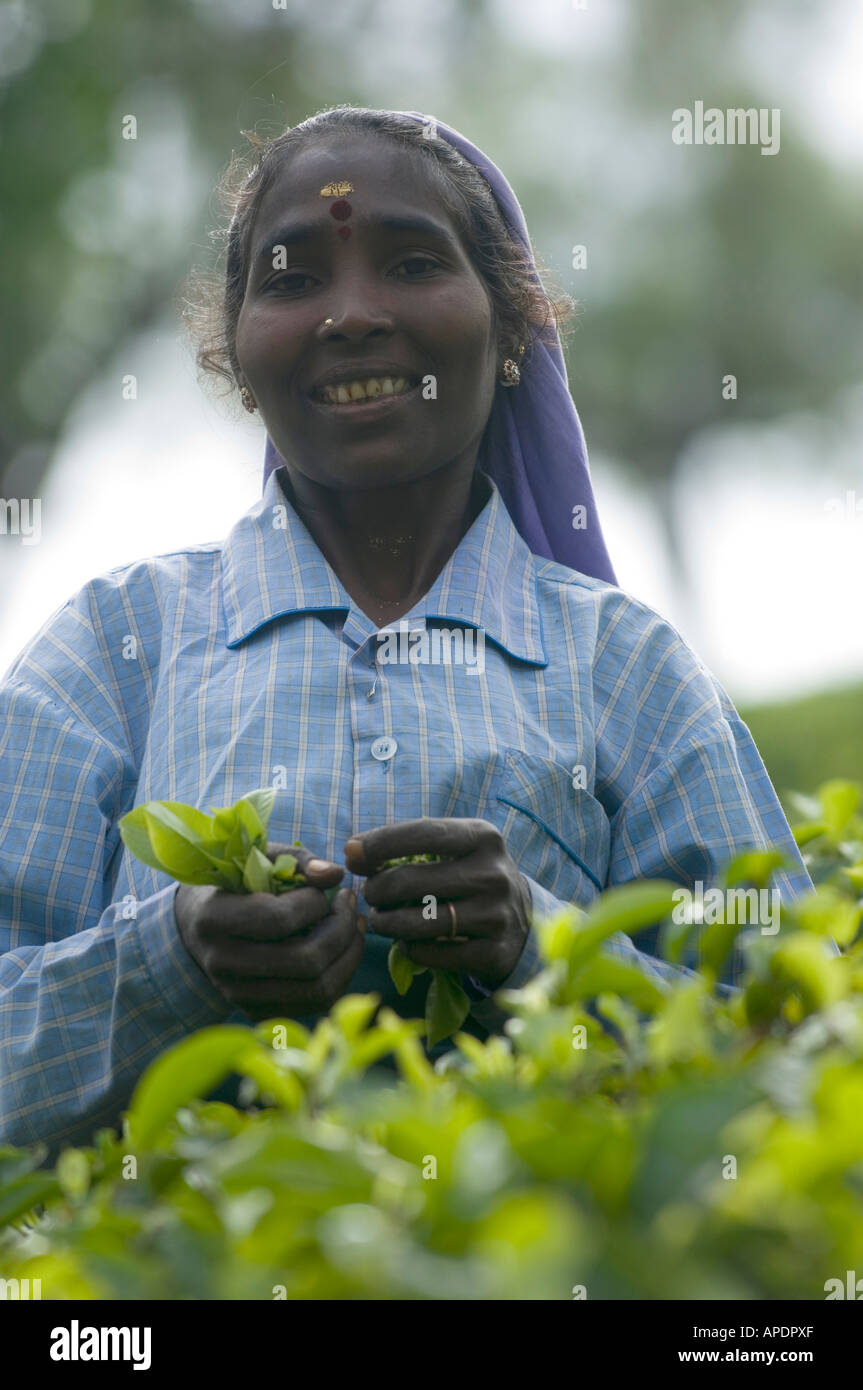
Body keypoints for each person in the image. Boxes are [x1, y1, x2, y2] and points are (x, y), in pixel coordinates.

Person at [0, 108, 812, 1155]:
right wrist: (168, 961)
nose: (349, 315)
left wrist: (543, 946)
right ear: (236, 358)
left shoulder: (628, 671)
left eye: (413, 260)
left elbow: (795, 1050)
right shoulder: (117, 650)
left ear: (512, 328)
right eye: (290, 279)